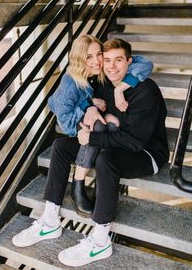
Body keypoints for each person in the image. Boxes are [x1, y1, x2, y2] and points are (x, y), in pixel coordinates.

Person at [12, 38, 169, 268]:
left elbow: (135, 142)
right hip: (113, 142)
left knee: (106, 160)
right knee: (61, 147)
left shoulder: (146, 90)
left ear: (129, 62)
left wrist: (93, 137)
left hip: (146, 153)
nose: (111, 66)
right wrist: (90, 108)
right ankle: (49, 220)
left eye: (118, 60)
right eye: (107, 60)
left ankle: (100, 238)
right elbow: (70, 102)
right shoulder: (102, 83)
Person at [47, 34, 153, 217]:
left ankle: (99, 191)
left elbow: (145, 63)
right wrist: (88, 108)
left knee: (110, 125)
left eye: (99, 55)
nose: (97, 61)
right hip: (77, 128)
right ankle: (72, 190)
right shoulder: (72, 81)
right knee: (87, 132)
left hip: (126, 143)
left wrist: (119, 89)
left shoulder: (96, 76)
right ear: (79, 58)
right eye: (89, 57)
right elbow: (60, 114)